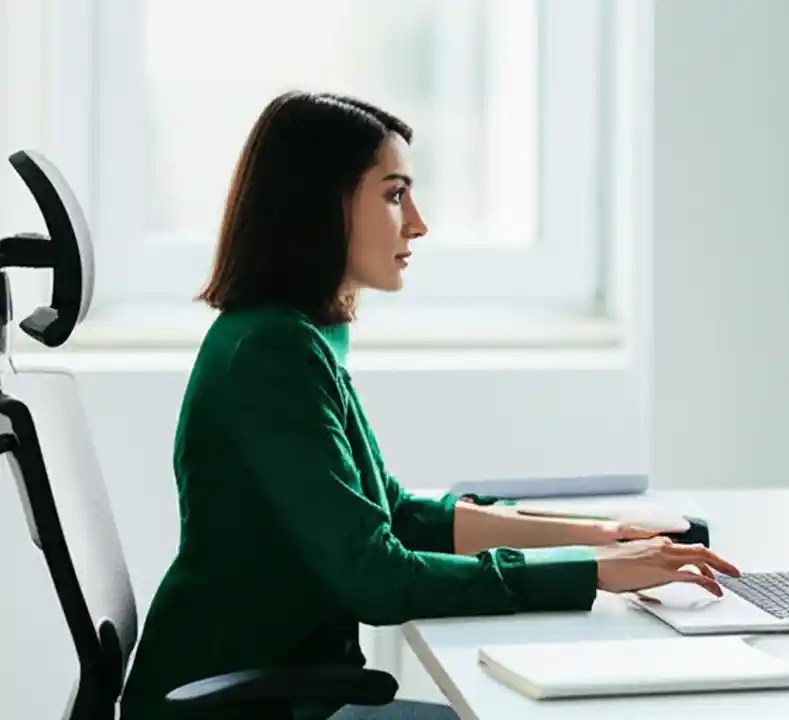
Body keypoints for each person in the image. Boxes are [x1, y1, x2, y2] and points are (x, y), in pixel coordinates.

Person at [119, 91, 739, 720]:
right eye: (394, 194)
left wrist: (599, 536)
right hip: (233, 707)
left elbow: (396, 516)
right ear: (319, 205)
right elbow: (378, 579)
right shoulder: (269, 351)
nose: (417, 222)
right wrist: (590, 571)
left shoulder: (293, 334)